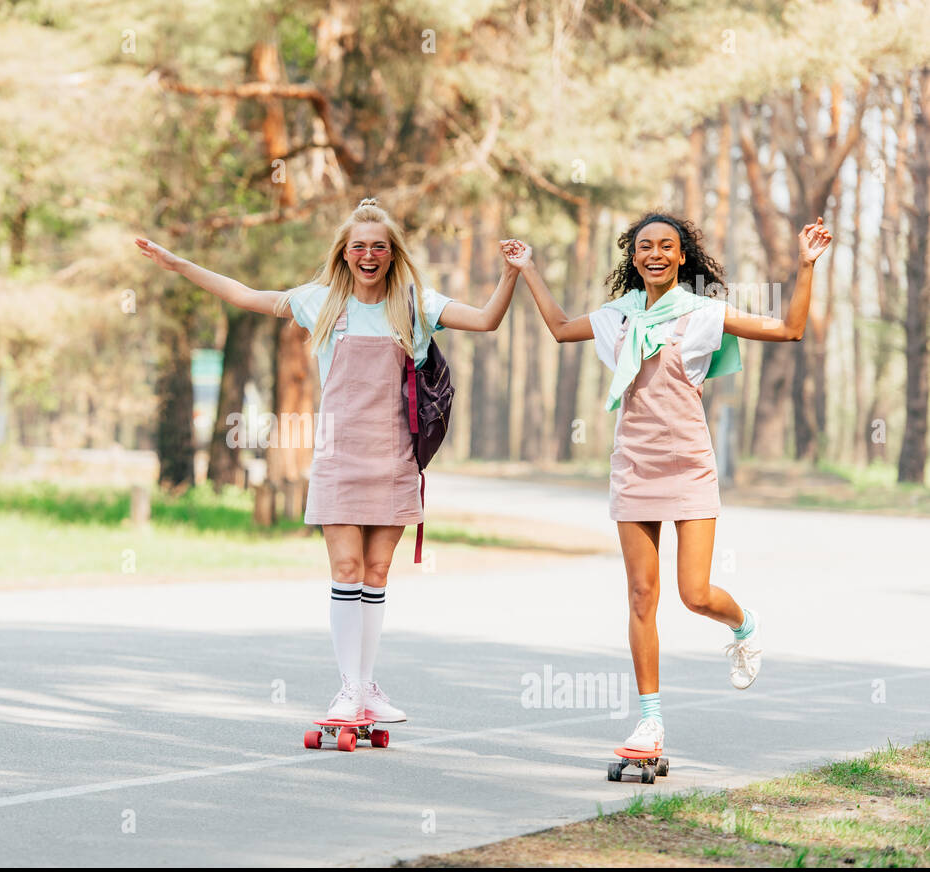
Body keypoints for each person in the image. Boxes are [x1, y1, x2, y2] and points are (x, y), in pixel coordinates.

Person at [136, 198, 519, 722]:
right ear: (343, 254)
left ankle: (366, 686)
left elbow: (487, 320)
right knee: (346, 567)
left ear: (392, 255)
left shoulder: (415, 305)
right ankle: (349, 688)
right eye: (358, 246)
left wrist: (509, 274)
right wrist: (180, 264)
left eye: (378, 247)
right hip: (339, 457)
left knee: (378, 572)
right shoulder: (321, 303)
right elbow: (246, 295)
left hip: (395, 458)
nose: (368, 255)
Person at [500, 212, 831, 753]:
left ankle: (745, 626)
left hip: (689, 467)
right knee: (640, 595)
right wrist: (528, 267)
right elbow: (560, 329)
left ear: (681, 257)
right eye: (644, 245)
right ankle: (650, 722)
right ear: (633, 257)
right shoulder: (619, 315)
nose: (654, 253)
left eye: (666, 246)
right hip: (634, 464)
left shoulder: (704, 314)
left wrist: (805, 265)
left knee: (694, 594)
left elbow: (789, 330)